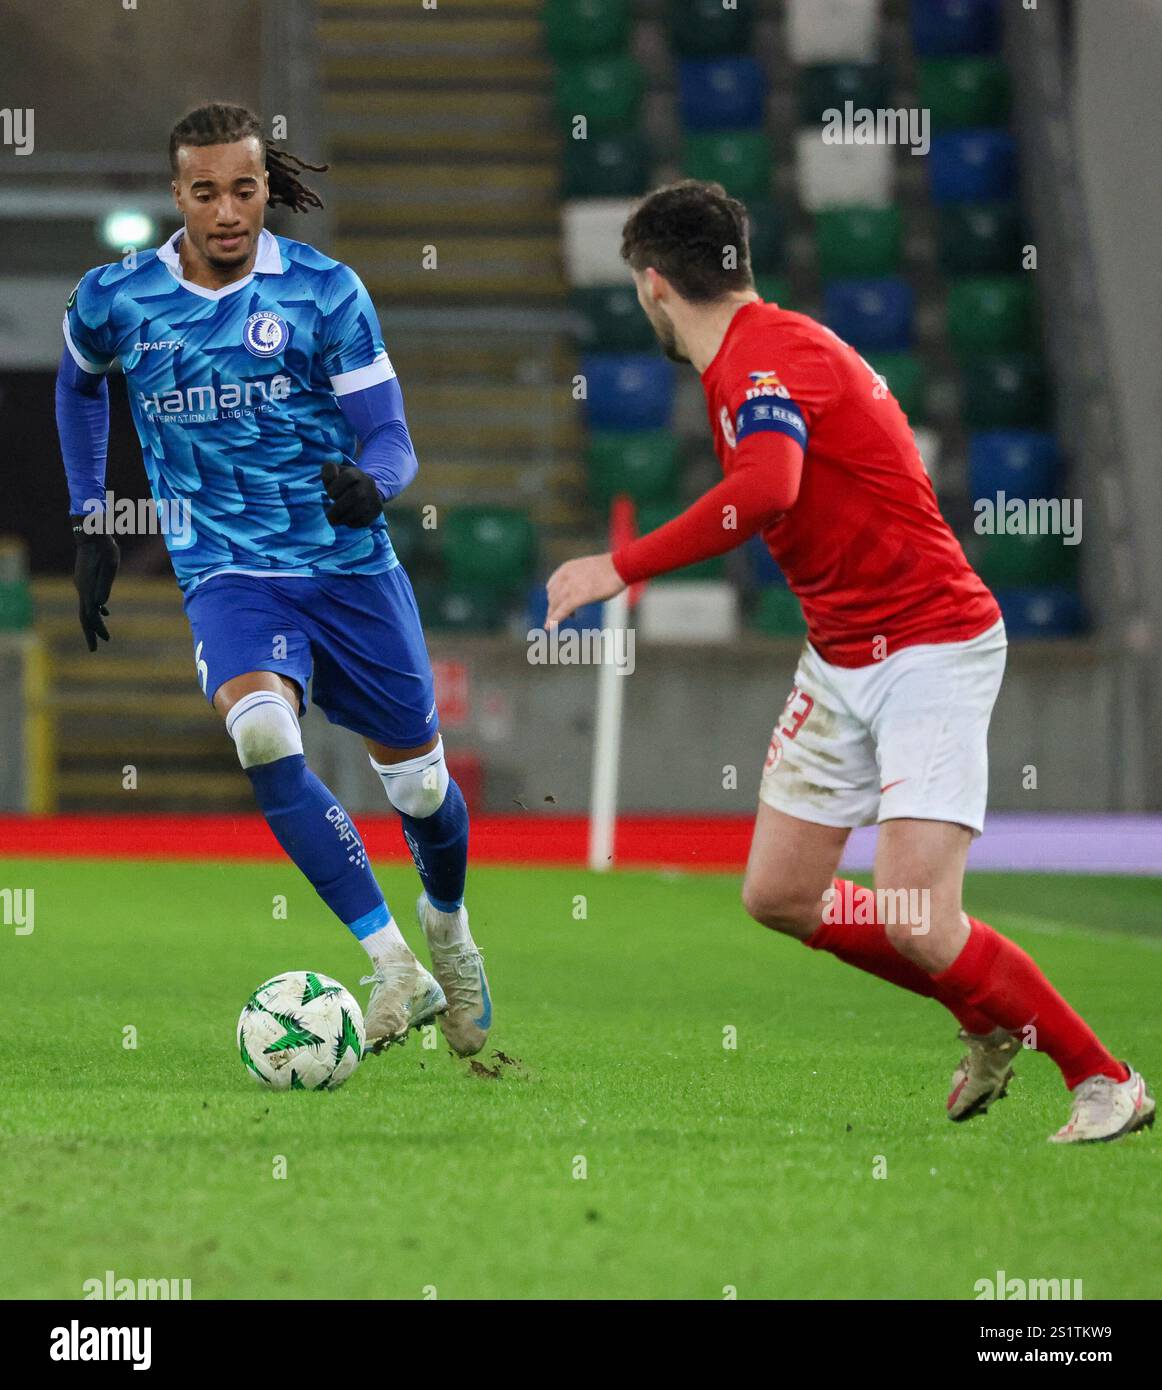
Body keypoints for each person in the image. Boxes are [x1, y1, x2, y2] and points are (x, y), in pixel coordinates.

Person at [546, 180, 1151, 1144]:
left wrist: (619, 566)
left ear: (652, 286)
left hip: (929, 645)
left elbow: (771, 487)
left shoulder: (762, 360)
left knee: (918, 914)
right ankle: (983, 1011)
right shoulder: (764, 350)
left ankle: (1105, 1078)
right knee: (779, 894)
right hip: (841, 653)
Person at [56, 102, 491, 1057]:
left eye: (243, 189)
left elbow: (390, 436)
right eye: (204, 191)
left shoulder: (326, 294)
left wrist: (369, 486)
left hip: (346, 571)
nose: (225, 211)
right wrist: (91, 512)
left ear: (266, 190)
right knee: (259, 732)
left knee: (419, 791)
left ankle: (448, 934)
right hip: (228, 573)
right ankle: (391, 965)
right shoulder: (117, 297)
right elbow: (80, 378)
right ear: (177, 195)